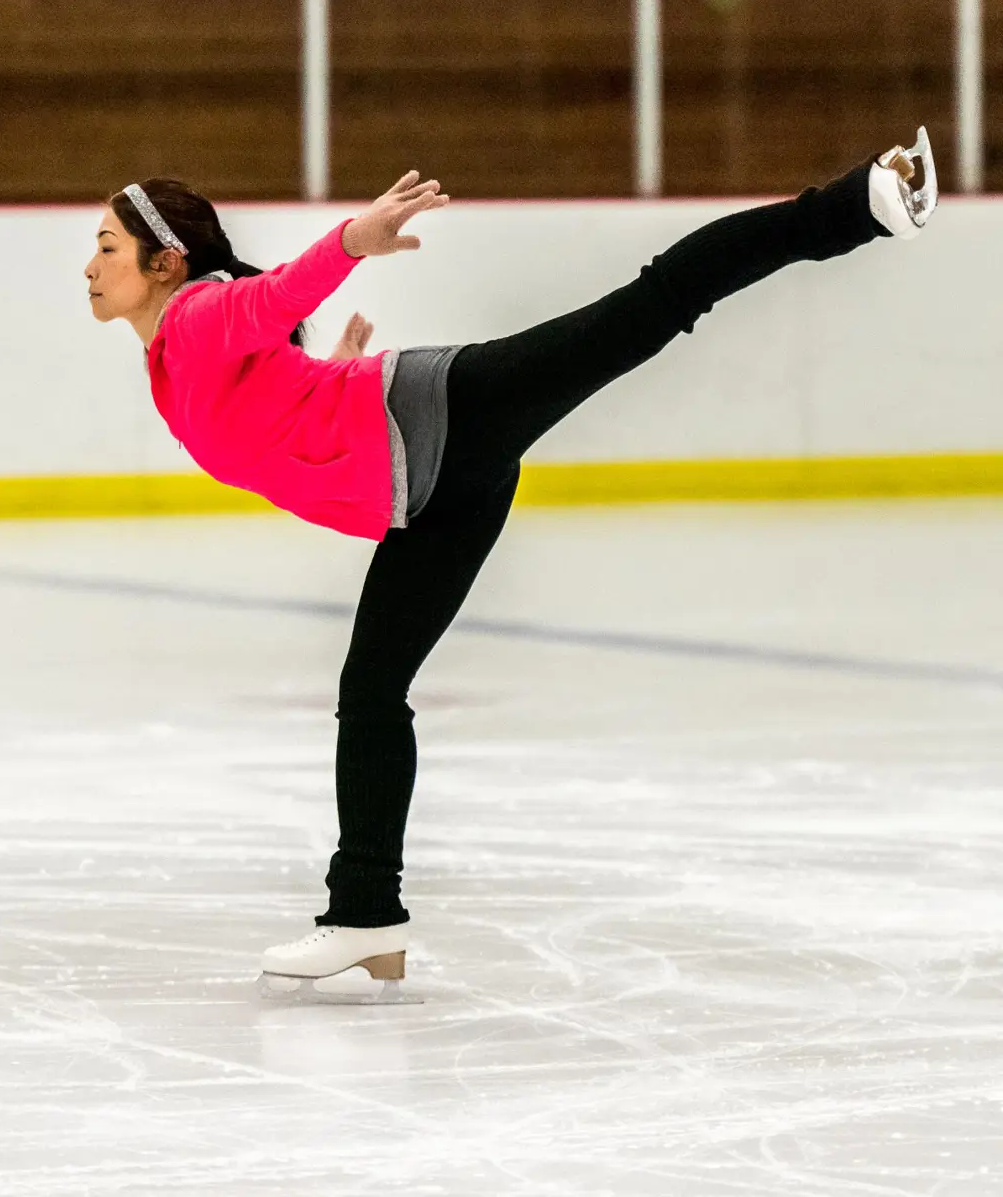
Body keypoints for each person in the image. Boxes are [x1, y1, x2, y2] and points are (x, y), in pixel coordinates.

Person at [84, 129, 939, 998]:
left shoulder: (194, 318)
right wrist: (324, 379)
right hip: (427, 497)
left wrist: (350, 241)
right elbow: (270, 378)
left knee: (654, 303)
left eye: (108, 246)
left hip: (449, 415)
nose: (90, 265)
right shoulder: (177, 354)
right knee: (372, 694)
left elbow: (265, 302)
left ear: (165, 264)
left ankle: (858, 203)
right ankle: (367, 919)